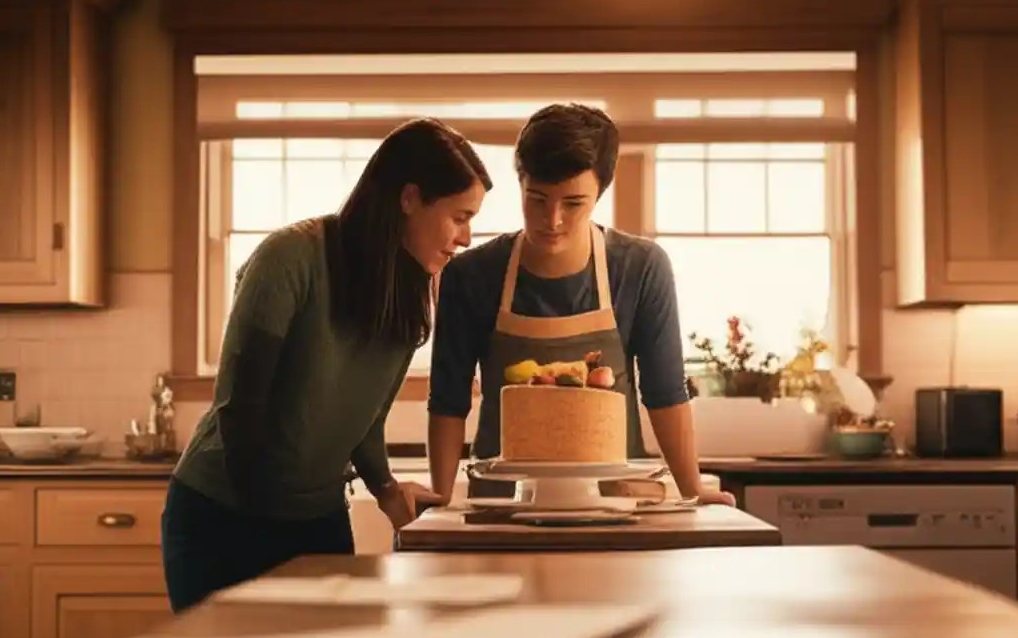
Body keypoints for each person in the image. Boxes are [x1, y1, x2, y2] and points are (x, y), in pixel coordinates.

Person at [161, 118, 492, 612]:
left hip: (316, 521)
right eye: (459, 217)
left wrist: (385, 488)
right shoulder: (290, 257)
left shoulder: (409, 288)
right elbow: (240, 408)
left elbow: (365, 419)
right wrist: (271, 530)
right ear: (409, 198)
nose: (466, 238)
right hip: (223, 519)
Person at [426, 103, 734, 506]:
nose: (552, 219)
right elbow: (448, 402)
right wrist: (439, 502)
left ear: (599, 193)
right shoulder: (471, 275)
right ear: (519, 185)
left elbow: (665, 393)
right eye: (537, 199)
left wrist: (693, 491)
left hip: (617, 504)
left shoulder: (641, 268)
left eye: (573, 203)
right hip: (503, 505)